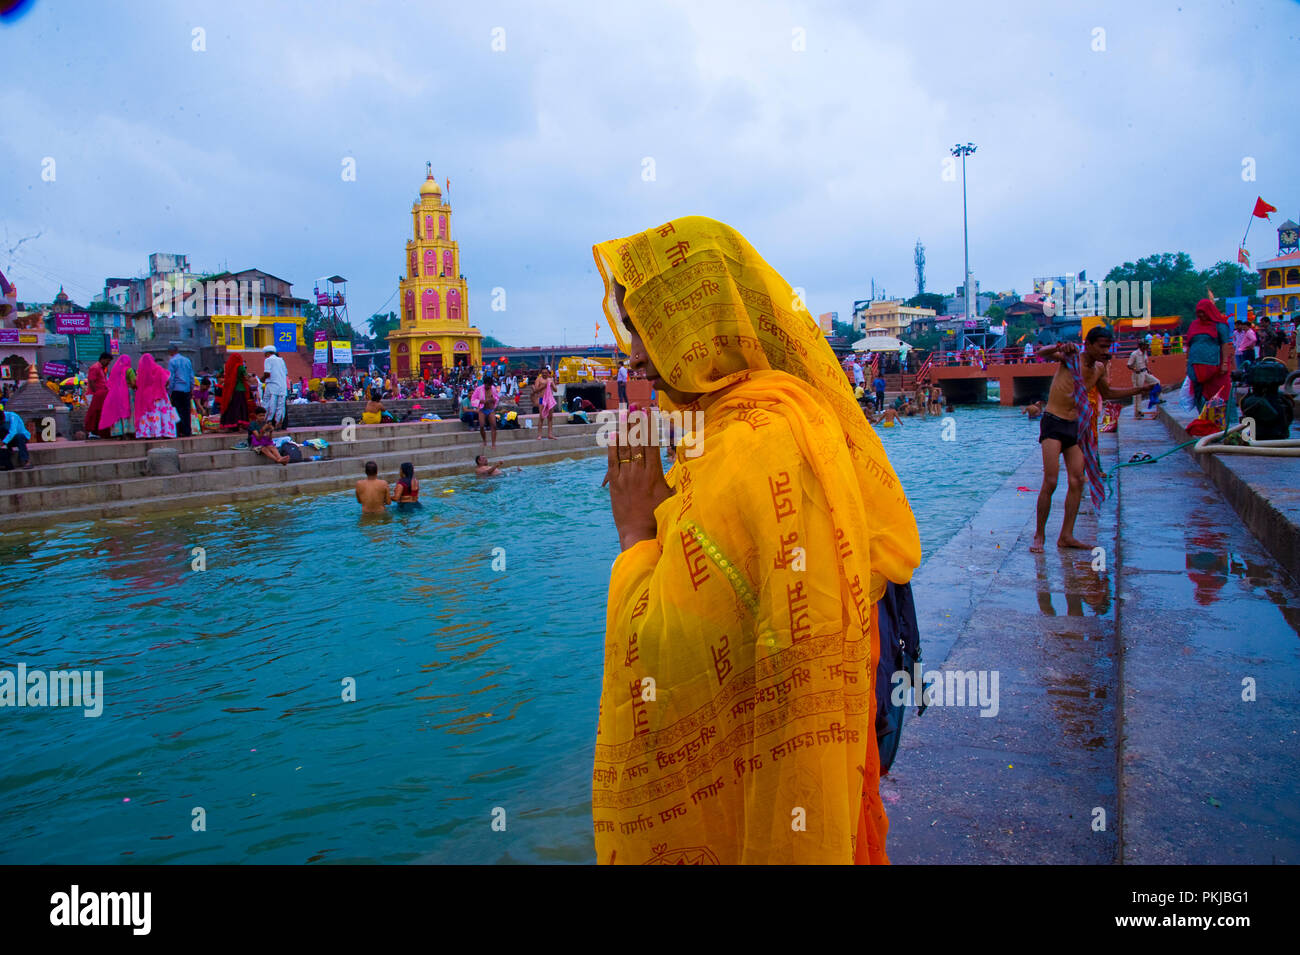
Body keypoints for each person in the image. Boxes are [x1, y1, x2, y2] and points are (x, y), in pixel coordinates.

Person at [590, 216, 920, 865]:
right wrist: (664, 514)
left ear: (702, 321)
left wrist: (634, 538)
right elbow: (738, 612)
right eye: (631, 329)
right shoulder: (762, 424)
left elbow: (678, 658)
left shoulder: (753, 445)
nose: (633, 356)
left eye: (645, 326)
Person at [1030, 328, 1151, 554]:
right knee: (1051, 480)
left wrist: (1140, 390)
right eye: (1102, 346)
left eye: (1108, 347)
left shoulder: (1099, 369)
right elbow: (1042, 353)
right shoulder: (1070, 357)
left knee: (1078, 481)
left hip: (1075, 426)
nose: (1106, 351)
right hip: (1053, 422)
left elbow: (1108, 392)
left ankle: (1066, 535)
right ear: (1089, 344)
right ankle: (1039, 534)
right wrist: (1059, 346)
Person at [1185, 295, 1234, 412]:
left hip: (1215, 366)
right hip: (1195, 365)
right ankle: (1202, 417)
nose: (1201, 315)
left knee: (1218, 392)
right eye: (1199, 312)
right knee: (1198, 393)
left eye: (1203, 312)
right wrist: (1187, 363)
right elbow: (1189, 344)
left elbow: (1225, 344)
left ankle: (1220, 419)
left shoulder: (1220, 325)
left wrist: (1225, 363)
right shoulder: (1194, 325)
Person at [133, 353, 179, 439]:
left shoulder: (141, 371)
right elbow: (167, 381)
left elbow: (137, 384)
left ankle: (147, 433)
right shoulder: (159, 369)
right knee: (162, 414)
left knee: (147, 415)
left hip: (146, 396)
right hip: (160, 395)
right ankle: (164, 432)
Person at [100, 354, 135, 439]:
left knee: (117, 413)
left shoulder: (115, 370)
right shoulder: (129, 370)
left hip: (115, 394)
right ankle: (128, 431)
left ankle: (118, 433)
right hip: (127, 393)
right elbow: (134, 383)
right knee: (129, 412)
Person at [1124, 338, 1161, 419]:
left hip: (1145, 372)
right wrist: (1134, 369)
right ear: (1141, 346)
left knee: (1157, 382)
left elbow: (1145, 363)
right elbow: (1128, 365)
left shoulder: (1145, 353)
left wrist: (1148, 370)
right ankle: (1138, 411)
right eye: (1146, 345)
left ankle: (1156, 399)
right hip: (1138, 374)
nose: (1147, 346)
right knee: (1138, 393)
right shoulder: (1134, 354)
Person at [166, 345, 194, 437]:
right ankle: (187, 430)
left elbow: (171, 378)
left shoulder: (172, 361)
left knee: (177, 411)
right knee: (186, 411)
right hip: (186, 389)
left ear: (171, 352)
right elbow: (191, 376)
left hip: (176, 389)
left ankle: (179, 430)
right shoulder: (187, 360)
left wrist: (170, 391)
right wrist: (191, 388)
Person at [218, 353, 251, 431]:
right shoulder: (240, 367)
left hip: (230, 391)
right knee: (240, 408)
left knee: (231, 407)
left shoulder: (228, 366)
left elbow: (220, 375)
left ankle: (232, 425)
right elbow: (246, 377)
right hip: (240, 389)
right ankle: (240, 425)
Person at [83, 352, 112, 439]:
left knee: (99, 414)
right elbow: (91, 381)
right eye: (108, 361)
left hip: (100, 395)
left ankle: (96, 432)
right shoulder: (95, 367)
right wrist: (96, 393)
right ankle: (92, 434)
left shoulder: (102, 368)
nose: (108, 363)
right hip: (94, 395)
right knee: (94, 414)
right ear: (103, 359)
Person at [261, 344, 289, 429]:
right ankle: (278, 423)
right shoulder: (281, 360)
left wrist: (261, 379)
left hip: (272, 385)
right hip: (282, 386)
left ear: (267, 353)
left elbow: (267, 373)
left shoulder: (268, 360)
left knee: (269, 405)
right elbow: (286, 373)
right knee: (280, 406)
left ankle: (267, 422)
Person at [0, 405, 32, 470]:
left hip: (21, 436)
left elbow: (13, 432)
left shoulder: (13, 416)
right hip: (10, 439)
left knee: (19, 436)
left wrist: (3, 442)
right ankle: (9, 451)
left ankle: (26, 461)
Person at [472, 375, 500, 447]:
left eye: (490, 385)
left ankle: (493, 443)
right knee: (481, 425)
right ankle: (484, 441)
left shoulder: (493, 389)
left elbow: (497, 397)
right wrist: (480, 401)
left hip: (490, 409)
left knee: (493, 425)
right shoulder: (479, 389)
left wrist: (494, 400)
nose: (489, 387)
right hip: (482, 409)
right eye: (488, 385)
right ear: (485, 384)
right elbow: (473, 399)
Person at [533, 365, 557, 439]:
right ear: (541, 373)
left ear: (548, 373)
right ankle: (539, 435)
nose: (544, 374)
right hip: (541, 399)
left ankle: (550, 434)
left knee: (550, 417)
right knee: (541, 417)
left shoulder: (550, 379)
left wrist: (552, 384)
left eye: (545, 373)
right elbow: (536, 390)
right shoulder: (539, 379)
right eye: (543, 373)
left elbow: (555, 390)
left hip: (549, 399)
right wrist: (544, 386)